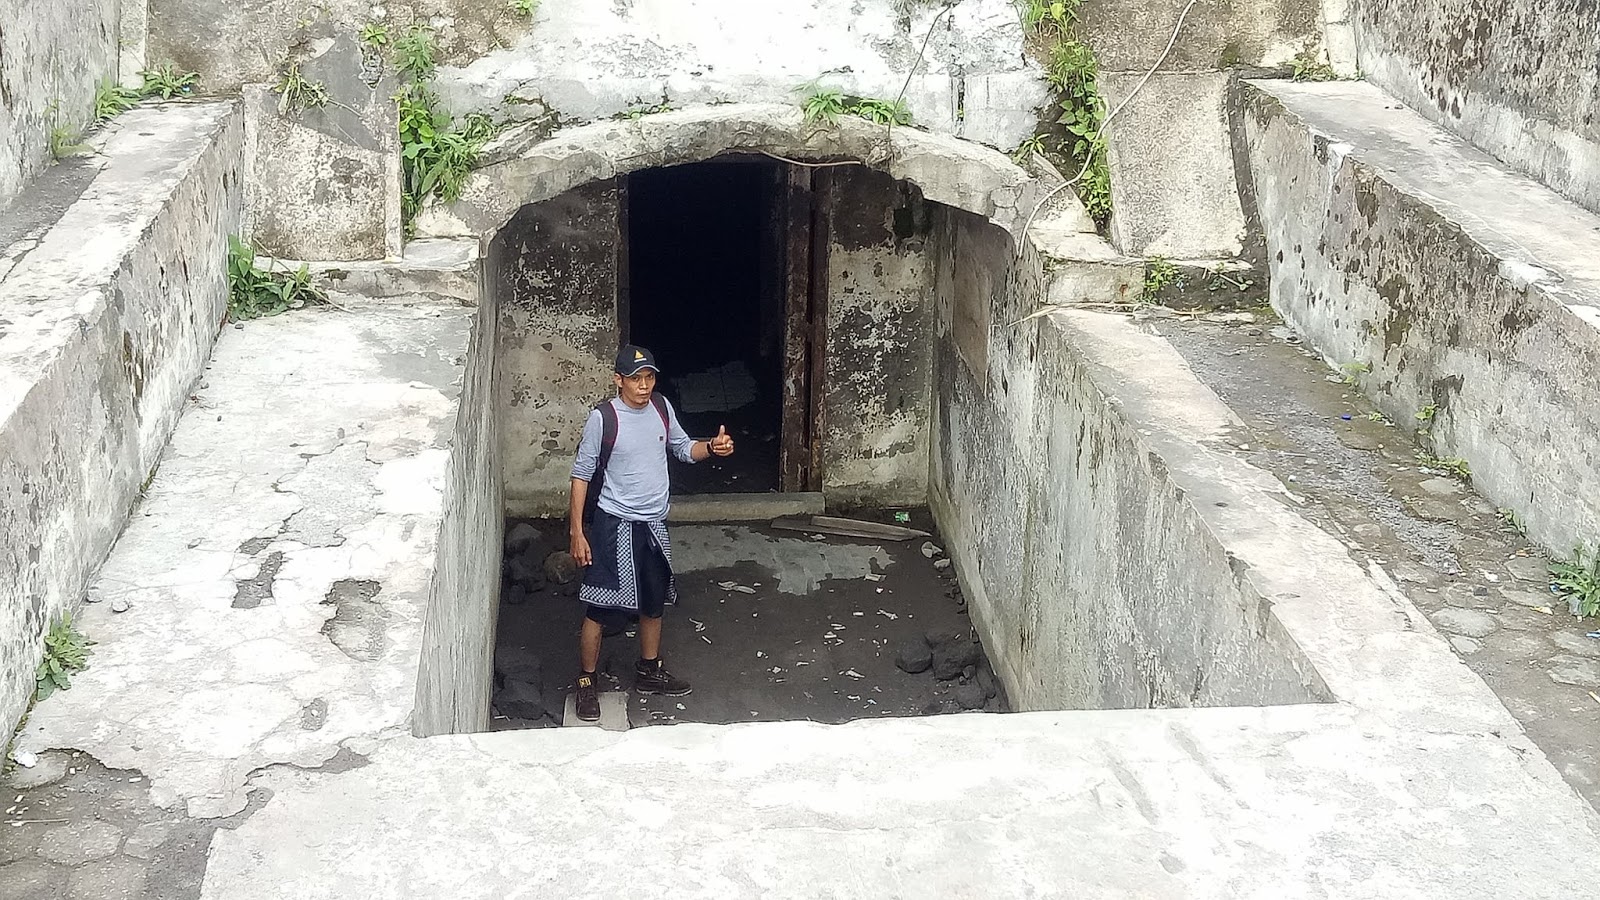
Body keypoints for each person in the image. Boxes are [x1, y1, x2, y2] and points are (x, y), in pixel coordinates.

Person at [568, 344, 735, 722]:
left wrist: (711, 447)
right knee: (599, 606)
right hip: (614, 524)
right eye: (635, 379)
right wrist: (577, 533)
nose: (643, 386)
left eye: (649, 378)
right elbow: (581, 475)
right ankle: (586, 681)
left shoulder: (661, 408)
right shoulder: (604, 418)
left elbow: (681, 448)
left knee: (653, 601)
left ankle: (649, 672)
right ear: (618, 380)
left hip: (654, 524)